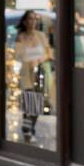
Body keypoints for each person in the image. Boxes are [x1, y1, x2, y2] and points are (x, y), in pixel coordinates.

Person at [13, 10, 53, 143]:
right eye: (29, 19)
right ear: (25, 22)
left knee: (37, 103)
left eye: (34, 19)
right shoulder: (21, 37)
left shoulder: (41, 35)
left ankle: (30, 128)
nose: (32, 22)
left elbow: (49, 53)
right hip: (26, 72)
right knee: (29, 102)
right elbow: (18, 55)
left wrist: (40, 60)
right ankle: (27, 131)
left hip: (39, 71)